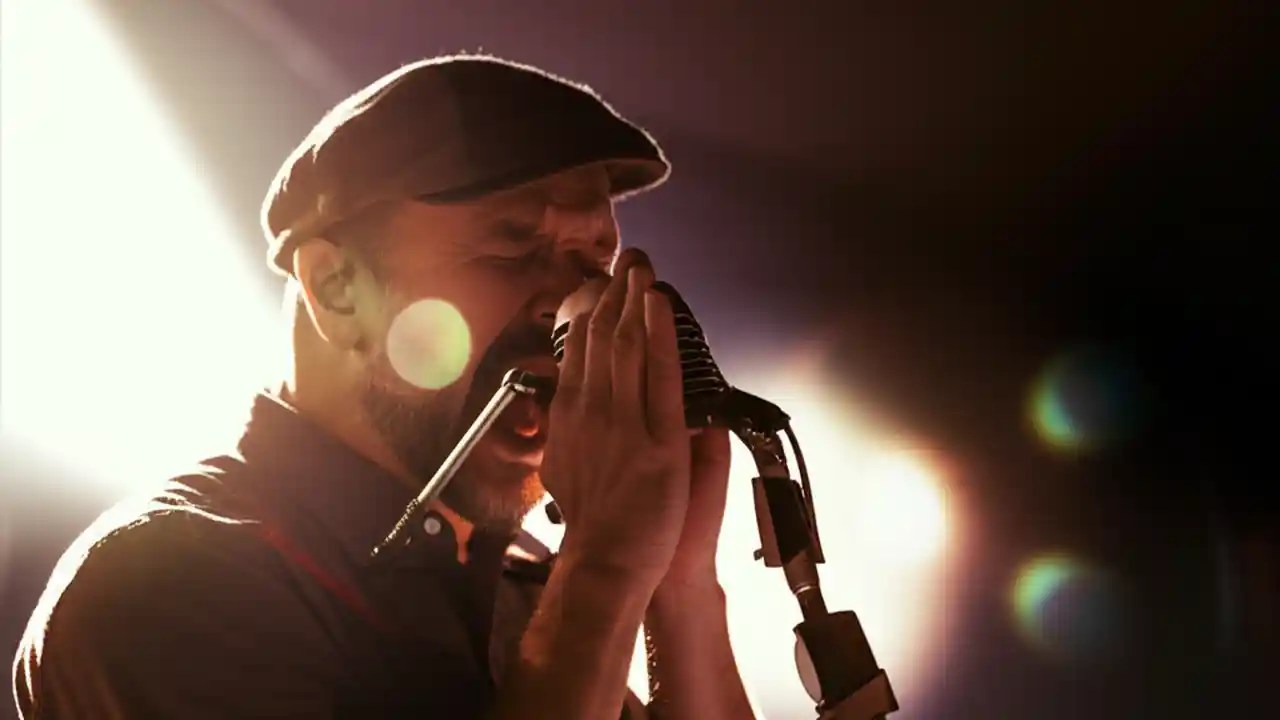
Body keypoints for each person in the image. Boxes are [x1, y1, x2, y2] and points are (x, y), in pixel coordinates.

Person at [12, 55, 757, 719]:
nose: (573, 308)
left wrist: (678, 581)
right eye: (511, 250)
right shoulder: (167, 586)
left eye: (594, 263)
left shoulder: (525, 589)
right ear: (338, 290)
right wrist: (606, 568)